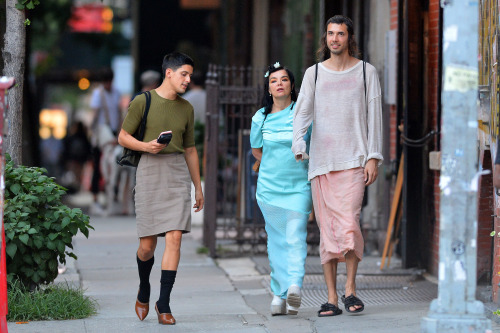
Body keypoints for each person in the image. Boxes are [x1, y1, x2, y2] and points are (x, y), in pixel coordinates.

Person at [292, 15, 383, 317]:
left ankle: (350, 289)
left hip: (354, 160)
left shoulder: (366, 72)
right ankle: (331, 296)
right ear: (325, 38)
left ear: (349, 38)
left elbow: (375, 117)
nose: (334, 39)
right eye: (330, 34)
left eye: (340, 34)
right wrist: (299, 144)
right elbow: (302, 113)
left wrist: (374, 156)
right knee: (328, 231)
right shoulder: (314, 74)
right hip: (321, 164)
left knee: (349, 224)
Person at [117, 52, 204, 325]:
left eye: (190, 75)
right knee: (147, 246)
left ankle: (163, 304)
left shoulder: (186, 108)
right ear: (169, 73)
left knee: (175, 237)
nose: (188, 80)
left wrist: (197, 187)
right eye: (184, 74)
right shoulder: (143, 101)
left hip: (177, 171)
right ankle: (144, 288)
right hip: (149, 171)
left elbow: (190, 149)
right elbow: (123, 136)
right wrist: (147, 146)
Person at [250, 62, 312, 316]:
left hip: (299, 186)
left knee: (295, 235)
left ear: (292, 85)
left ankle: (294, 284)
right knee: (276, 241)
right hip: (269, 189)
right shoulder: (260, 117)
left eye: (284, 79)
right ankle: (279, 293)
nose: (279, 83)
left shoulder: (303, 112)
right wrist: (275, 167)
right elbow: (256, 150)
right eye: (274, 80)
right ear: (268, 87)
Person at [89, 68, 122, 214]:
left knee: (115, 166)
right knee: (97, 166)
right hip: (101, 134)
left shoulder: (117, 93)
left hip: (114, 133)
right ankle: (95, 199)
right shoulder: (98, 93)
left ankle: (113, 198)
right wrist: (92, 131)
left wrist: (121, 132)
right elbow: (95, 114)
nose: (108, 84)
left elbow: (120, 113)